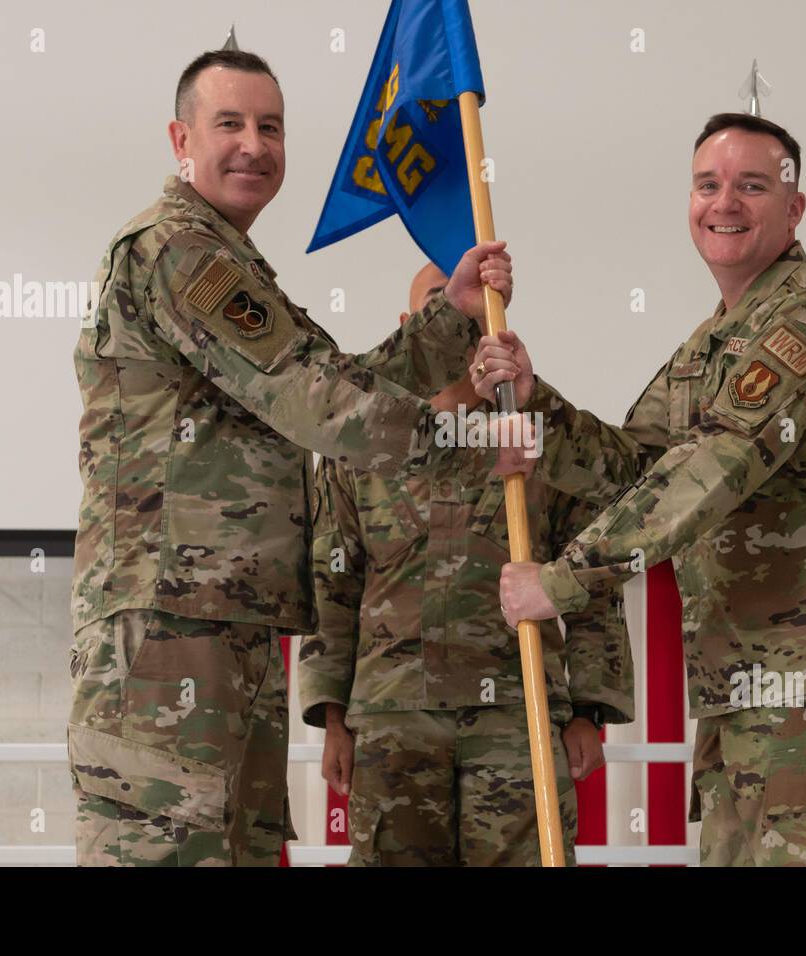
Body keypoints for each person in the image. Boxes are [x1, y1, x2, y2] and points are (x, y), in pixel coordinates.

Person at [68, 45, 511, 866]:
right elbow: (321, 406)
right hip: (171, 624)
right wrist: (472, 444)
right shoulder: (179, 251)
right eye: (229, 123)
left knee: (235, 851)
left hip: (227, 620)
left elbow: (332, 382)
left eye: (270, 127)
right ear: (181, 138)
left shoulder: (232, 264)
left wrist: (448, 318)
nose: (254, 145)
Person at [472, 112, 806, 866]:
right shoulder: (711, 343)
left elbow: (717, 466)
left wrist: (565, 580)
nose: (725, 204)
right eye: (708, 185)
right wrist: (535, 403)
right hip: (742, 690)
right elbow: (635, 464)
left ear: (795, 207)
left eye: (752, 185)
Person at [298, 262, 633, 866]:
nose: (468, 321)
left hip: (518, 713)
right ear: (412, 326)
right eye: (447, 306)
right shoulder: (363, 448)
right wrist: (331, 716)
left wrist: (588, 711)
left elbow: (592, 583)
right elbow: (333, 585)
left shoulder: (541, 439)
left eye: (484, 310)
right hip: (395, 716)